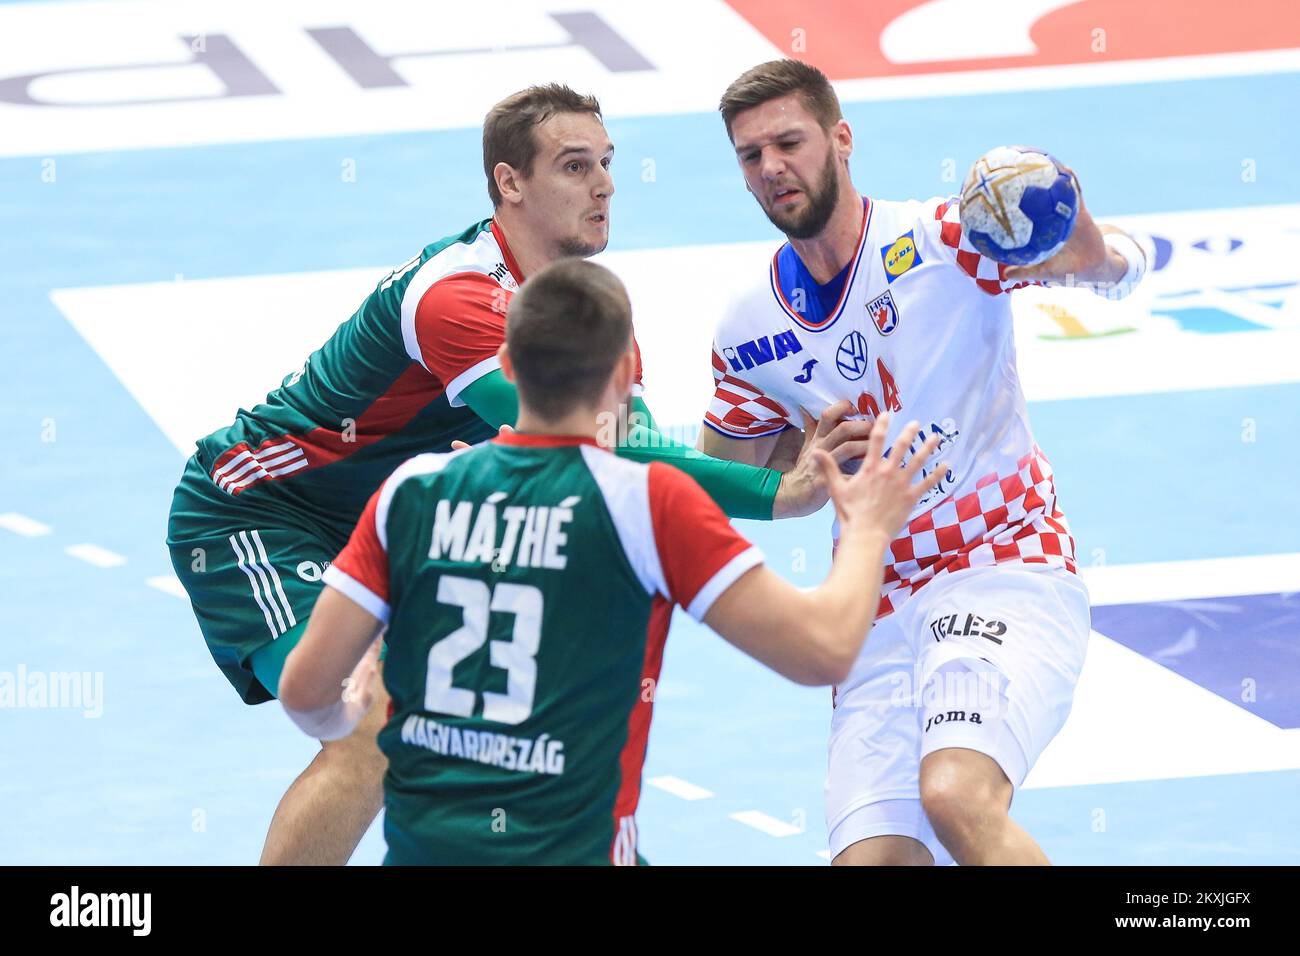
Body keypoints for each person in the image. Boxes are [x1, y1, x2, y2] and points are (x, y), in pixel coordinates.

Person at [166, 82, 863, 864]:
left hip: (392, 522)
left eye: (606, 163)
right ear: (510, 183)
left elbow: (623, 458)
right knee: (373, 729)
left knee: (507, 714)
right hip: (259, 512)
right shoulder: (457, 298)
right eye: (573, 166)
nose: (602, 184)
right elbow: (616, 450)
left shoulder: (571, 312)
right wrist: (783, 491)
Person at [277, 258, 945, 864]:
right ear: (626, 374)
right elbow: (821, 650)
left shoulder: (414, 492)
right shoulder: (647, 504)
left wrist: (346, 714)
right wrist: (868, 528)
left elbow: (306, 691)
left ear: (508, 365)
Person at [698, 59, 1151, 865]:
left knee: (955, 796)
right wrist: (802, 480)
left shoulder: (947, 241)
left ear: (841, 138)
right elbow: (726, 474)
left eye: (788, 142)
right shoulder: (747, 327)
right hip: (873, 602)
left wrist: (1063, 208)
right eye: (749, 155)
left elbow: (1106, 264)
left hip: (1001, 561)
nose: (771, 167)